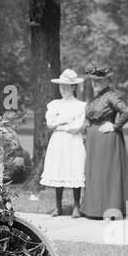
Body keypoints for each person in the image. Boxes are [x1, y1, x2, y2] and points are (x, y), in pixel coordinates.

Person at [81, 65, 128, 219]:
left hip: (106, 140)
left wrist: (115, 125)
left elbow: (126, 112)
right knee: (96, 173)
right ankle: (94, 208)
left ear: (107, 82)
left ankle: (110, 208)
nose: (94, 84)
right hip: (94, 141)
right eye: (93, 82)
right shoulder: (97, 98)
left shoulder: (110, 95)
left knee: (106, 173)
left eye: (98, 81)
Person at [41, 68, 86, 217]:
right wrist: (66, 120)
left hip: (73, 141)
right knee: (58, 168)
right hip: (58, 140)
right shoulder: (54, 104)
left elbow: (77, 126)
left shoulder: (80, 105)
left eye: (67, 86)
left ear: (74, 87)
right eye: (61, 86)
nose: (63, 89)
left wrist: (61, 124)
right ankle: (58, 206)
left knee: (74, 169)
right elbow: (50, 124)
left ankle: (76, 206)